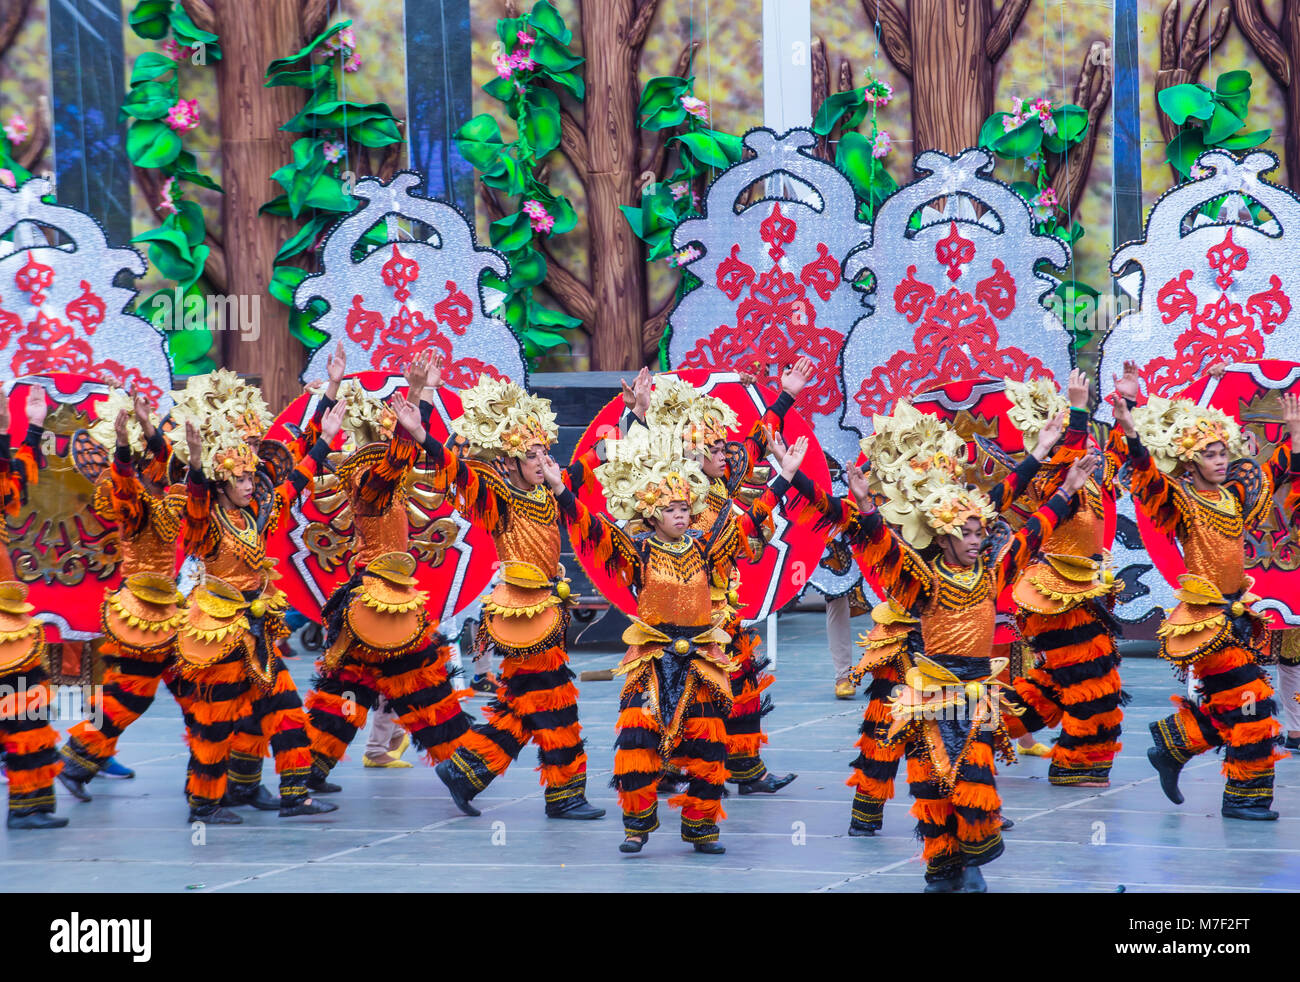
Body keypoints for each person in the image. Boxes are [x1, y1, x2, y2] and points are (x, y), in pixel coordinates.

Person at [831, 437, 1095, 890]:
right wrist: (864, 502)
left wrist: (1067, 486)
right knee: (931, 786)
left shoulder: (994, 573)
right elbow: (884, 547)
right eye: (966, 534)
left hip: (975, 698)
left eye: (979, 534)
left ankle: (971, 865)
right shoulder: (924, 579)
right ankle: (941, 868)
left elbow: (1033, 530)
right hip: (927, 696)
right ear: (942, 535)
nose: (976, 541)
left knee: (974, 778)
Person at [555, 422, 811, 853]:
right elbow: (588, 525)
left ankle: (701, 828)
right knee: (636, 745)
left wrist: (784, 476)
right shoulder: (636, 551)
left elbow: (750, 523)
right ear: (652, 514)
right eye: (671, 509)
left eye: (684, 508)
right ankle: (636, 827)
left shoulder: (706, 547)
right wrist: (558, 488)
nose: (681, 515)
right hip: (652, 661)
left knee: (710, 748)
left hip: (702, 660)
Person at [392, 371, 605, 820]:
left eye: (544, 450)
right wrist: (419, 433)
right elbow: (456, 471)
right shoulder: (498, 496)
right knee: (553, 700)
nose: (541, 460)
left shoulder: (549, 487)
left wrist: (633, 415)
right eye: (531, 455)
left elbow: (586, 466)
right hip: (522, 613)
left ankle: (465, 772)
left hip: (547, 610)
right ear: (510, 462)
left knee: (522, 704)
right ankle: (565, 795)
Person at [1111, 360, 1299, 820]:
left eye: (1222, 453)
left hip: (1238, 615)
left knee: (1236, 706)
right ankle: (1244, 799)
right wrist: (1130, 420)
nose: (1220, 460)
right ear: (1191, 462)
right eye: (1211, 455)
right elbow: (1145, 473)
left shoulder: (1233, 497)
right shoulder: (1182, 502)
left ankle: (1173, 747)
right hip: (1205, 622)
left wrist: (1293, 431)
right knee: (1252, 703)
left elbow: (1277, 468)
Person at [302, 352, 475, 791]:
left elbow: (415, 451)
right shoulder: (371, 487)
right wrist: (415, 391)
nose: (391, 471)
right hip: (377, 597)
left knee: (351, 686)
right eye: (377, 464)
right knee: (423, 680)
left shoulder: (386, 488)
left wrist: (426, 396)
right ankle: (462, 770)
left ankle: (311, 770)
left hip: (382, 596)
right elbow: (399, 457)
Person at [637, 364, 813, 795]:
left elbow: (753, 443)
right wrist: (784, 478)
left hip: (725, 613)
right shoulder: (689, 506)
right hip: (696, 617)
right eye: (714, 447)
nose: (726, 452)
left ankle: (747, 770)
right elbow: (745, 528)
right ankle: (667, 769)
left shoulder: (718, 484)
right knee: (687, 695)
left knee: (743, 684)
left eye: (722, 445)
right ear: (692, 455)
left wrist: (786, 397)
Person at [171, 401, 346, 824]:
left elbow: (296, 482)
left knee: (286, 710)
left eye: (251, 476)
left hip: (258, 633)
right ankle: (204, 805)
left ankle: (294, 796)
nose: (251, 484)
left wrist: (324, 440)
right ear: (220, 483)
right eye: (241, 478)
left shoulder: (256, 516)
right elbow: (195, 497)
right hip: (219, 634)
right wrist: (196, 462)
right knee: (216, 723)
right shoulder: (206, 522)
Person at [995, 371, 1127, 788]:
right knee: (1093, 684)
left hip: (1081, 593)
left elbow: (1120, 457)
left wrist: (1127, 408)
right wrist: (1078, 408)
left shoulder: (1086, 478)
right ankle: (1076, 765)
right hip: (1053, 598)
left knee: (1051, 688)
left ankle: (972, 734)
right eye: (1064, 432)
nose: (1081, 441)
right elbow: (1069, 455)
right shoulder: (1053, 480)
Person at [59, 390, 187, 801]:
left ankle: (226, 779)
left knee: (193, 693)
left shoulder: (163, 489)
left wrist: (149, 425)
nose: (157, 463)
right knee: (129, 694)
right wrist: (121, 446)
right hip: (139, 616)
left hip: (168, 610)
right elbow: (127, 482)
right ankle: (75, 759)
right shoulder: (128, 501)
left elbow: (162, 457)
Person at [0, 385, 66, 829]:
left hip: (8, 612)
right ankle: (27, 803)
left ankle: (32, 801)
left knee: (27, 702)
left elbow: (14, 481)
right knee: (22, 702)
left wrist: (30, 426)